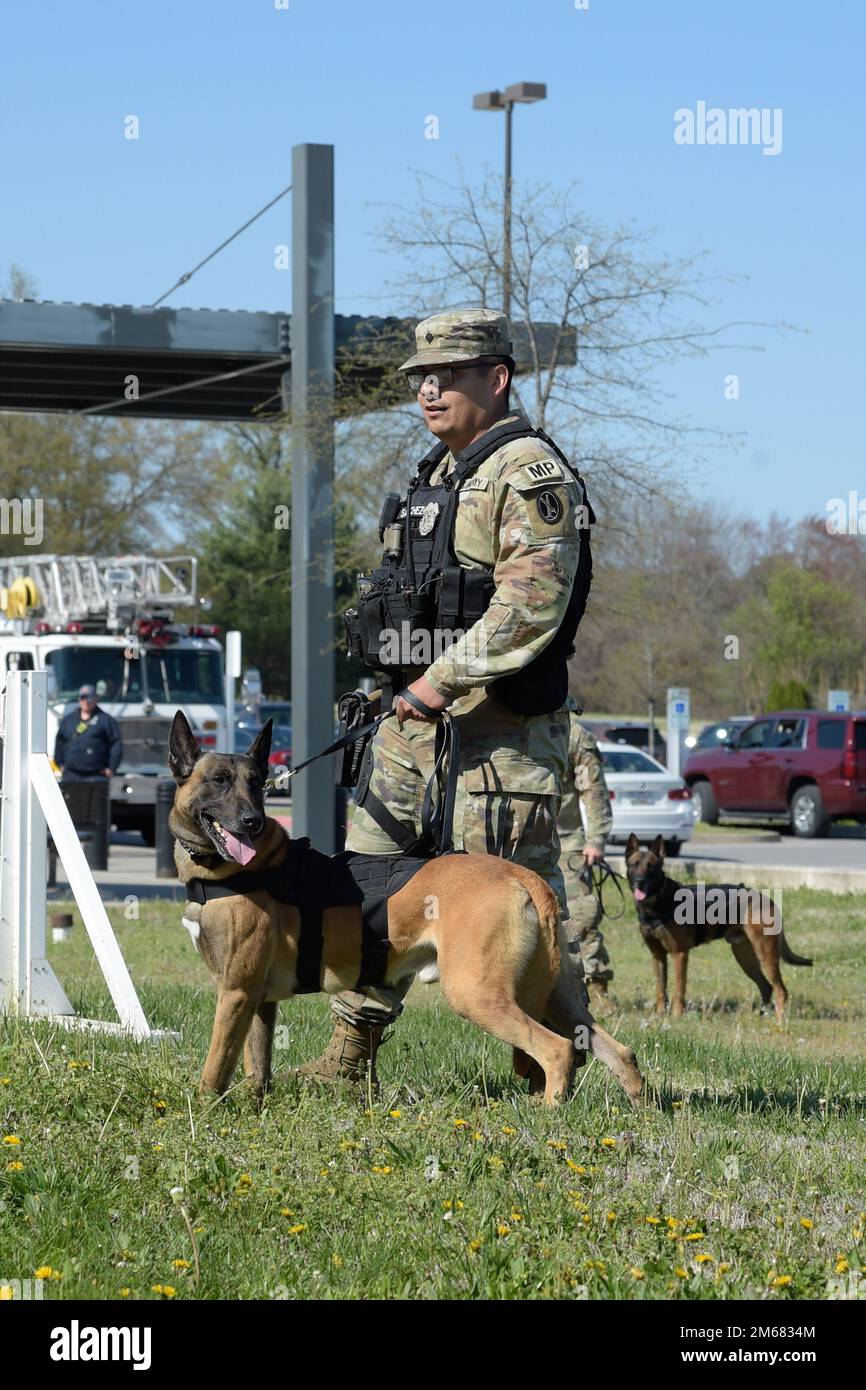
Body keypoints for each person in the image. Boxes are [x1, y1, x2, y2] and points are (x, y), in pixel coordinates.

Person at [296, 307, 596, 1086]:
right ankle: (349, 1055)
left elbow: (530, 604)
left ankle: (556, 1070)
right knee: (369, 883)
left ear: (495, 380)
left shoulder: (528, 472)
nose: (429, 391)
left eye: (448, 376)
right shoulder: (436, 474)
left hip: (499, 739)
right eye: (420, 379)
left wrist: (438, 681)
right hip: (412, 730)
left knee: (514, 904)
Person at [557, 707, 616, 1015]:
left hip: (565, 845)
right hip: (515, 845)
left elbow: (593, 792)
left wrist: (596, 839)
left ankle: (595, 987)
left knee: (582, 918)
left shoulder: (574, 735)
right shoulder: (510, 723)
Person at [54, 684, 122, 783]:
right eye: (83, 697)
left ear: (96, 699)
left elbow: (116, 744)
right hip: (71, 775)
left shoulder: (106, 720)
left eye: (90, 698)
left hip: (98, 776)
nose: (87, 701)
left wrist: (112, 767)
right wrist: (60, 764)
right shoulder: (68, 720)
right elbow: (59, 742)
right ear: (79, 699)